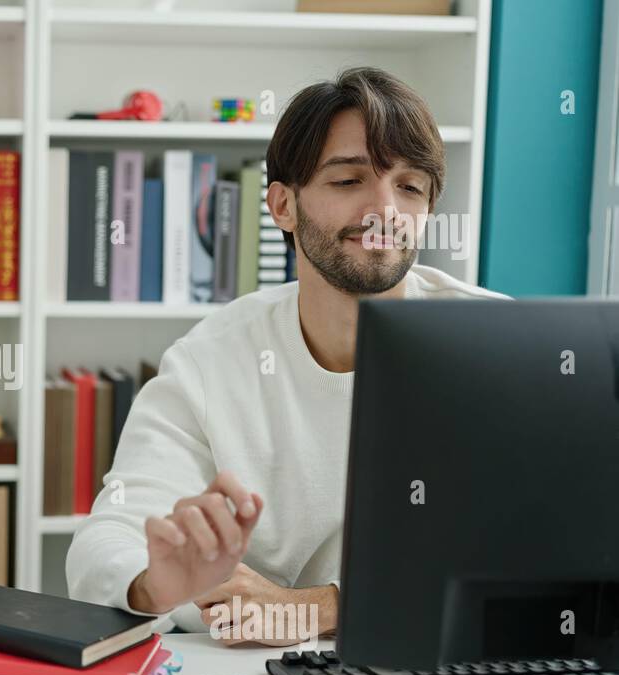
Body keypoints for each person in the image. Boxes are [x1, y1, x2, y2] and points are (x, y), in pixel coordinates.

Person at [67, 67, 506, 645]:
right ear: (282, 206)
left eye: (409, 187)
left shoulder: (496, 343)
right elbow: (105, 543)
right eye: (349, 180)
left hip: (447, 666)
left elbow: (540, 558)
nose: (384, 210)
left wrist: (318, 608)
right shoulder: (210, 361)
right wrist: (158, 583)